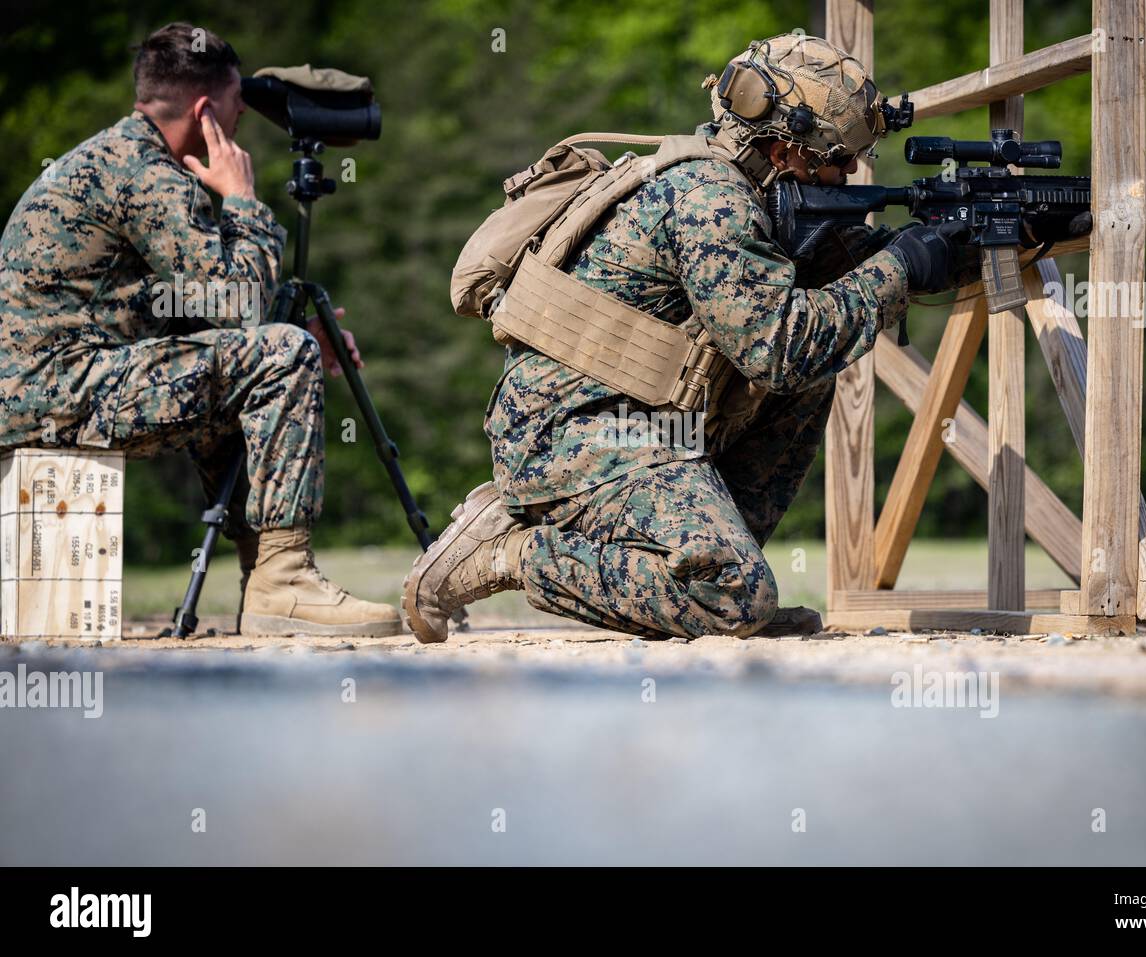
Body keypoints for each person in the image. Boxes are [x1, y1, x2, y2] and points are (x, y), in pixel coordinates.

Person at [403, 34, 967, 643]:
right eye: (835, 156)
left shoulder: (733, 189)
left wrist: (969, 239)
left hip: (635, 425)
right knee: (738, 600)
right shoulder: (710, 201)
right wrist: (901, 268)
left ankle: (703, 571)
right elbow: (779, 349)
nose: (850, 171)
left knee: (809, 381)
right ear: (784, 148)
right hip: (572, 435)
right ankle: (513, 552)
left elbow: (799, 301)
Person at [0, 22, 401, 636]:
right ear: (206, 109)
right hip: (61, 393)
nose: (243, 118)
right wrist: (243, 199)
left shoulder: (114, 157)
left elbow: (181, 309)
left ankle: (262, 574)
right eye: (239, 103)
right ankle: (283, 580)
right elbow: (236, 302)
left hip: (45, 390)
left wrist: (265, 333)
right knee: (281, 354)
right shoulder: (146, 173)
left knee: (252, 363)